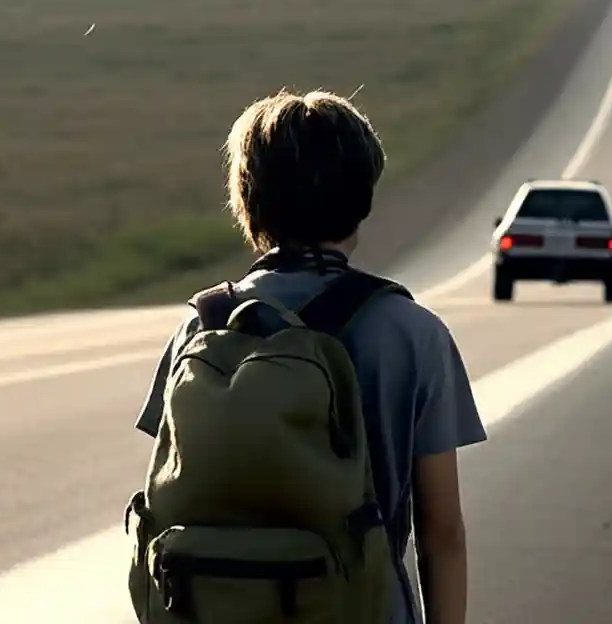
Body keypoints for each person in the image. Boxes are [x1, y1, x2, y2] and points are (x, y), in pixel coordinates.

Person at [133, 89, 486, 624]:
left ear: (248, 200)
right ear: (361, 196)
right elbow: (443, 533)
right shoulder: (413, 334)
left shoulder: (202, 326)